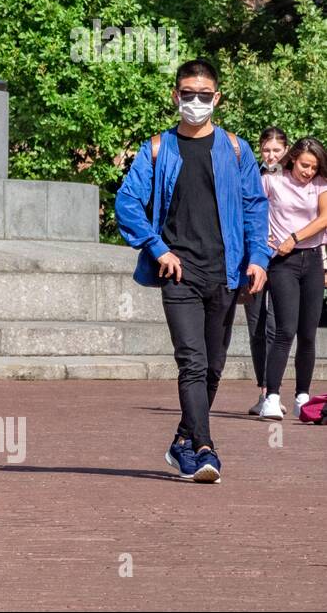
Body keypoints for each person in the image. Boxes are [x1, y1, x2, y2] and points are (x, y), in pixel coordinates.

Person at [115, 60, 270, 484]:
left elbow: (256, 207)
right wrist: (158, 248)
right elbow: (127, 202)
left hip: (225, 272)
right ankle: (204, 448)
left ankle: (182, 440)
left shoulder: (236, 149)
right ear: (175, 96)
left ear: (216, 98)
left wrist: (259, 258)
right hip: (179, 273)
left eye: (204, 95)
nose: (196, 102)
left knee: (215, 366)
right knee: (193, 364)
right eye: (188, 94)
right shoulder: (157, 148)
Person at [256, 137, 327, 419]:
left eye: (314, 167)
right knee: (285, 330)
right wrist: (264, 238)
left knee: (308, 334)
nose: (308, 172)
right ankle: (271, 397)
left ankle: (302, 397)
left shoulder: (321, 183)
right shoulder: (273, 181)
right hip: (281, 263)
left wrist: (295, 238)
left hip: (310, 259)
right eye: (304, 165)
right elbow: (253, 209)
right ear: (293, 158)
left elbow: (324, 219)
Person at [244, 127, 288, 415]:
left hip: (284, 257)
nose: (271, 155)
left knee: (276, 326)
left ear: (285, 150)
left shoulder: (294, 178)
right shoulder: (252, 175)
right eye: (266, 150)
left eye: (276, 150)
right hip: (255, 256)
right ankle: (262, 390)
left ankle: (274, 392)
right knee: (256, 326)